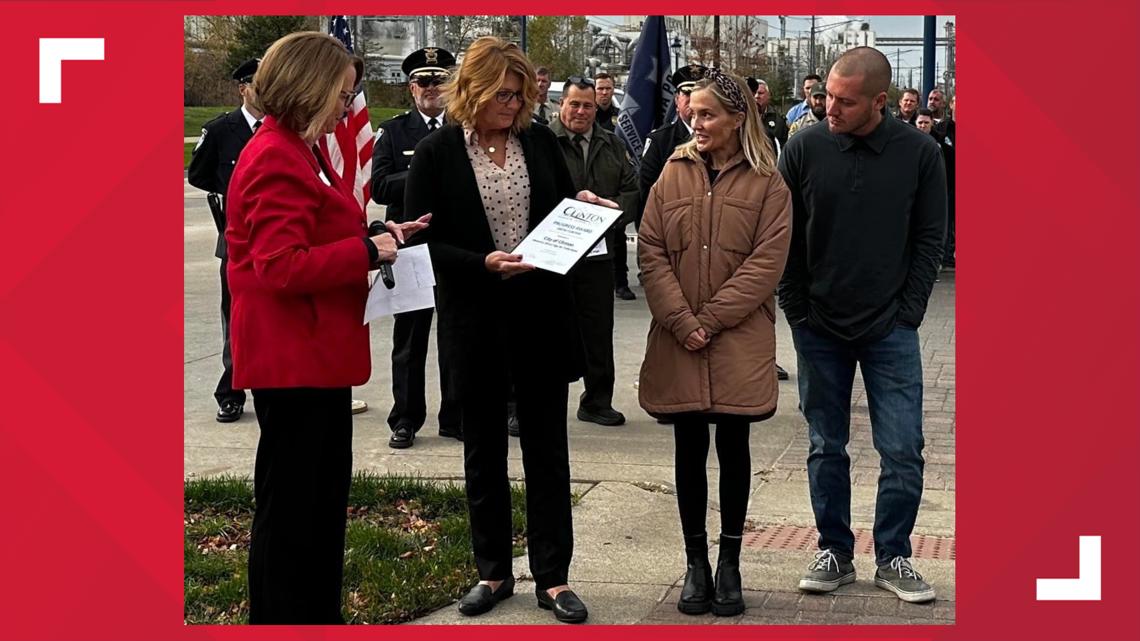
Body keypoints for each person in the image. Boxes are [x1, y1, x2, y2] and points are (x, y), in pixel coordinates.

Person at [405, 36, 616, 624]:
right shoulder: (437, 151)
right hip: (474, 316)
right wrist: (482, 263)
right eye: (501, 93)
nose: (511, 104)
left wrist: (585, 208)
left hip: (540, 315)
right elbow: (424, 239)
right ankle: (493, 570)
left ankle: (553, 577)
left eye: (519, 95)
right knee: (484, 449)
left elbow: (558, 208)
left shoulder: (539, 141)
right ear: (471, 89)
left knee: (548, 449)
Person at [225, 32, 427, 624]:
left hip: (314, 354)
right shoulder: (275, 156)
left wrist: (383, 238)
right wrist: (366, 252)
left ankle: (312, 613)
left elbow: (317, 233)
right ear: (310, 88)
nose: (348, 107)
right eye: (343, 95)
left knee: (315, 504)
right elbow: (279, 265)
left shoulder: (299, 149)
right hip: (293, 359)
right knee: (293, 510)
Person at [777, 47, 945, 604]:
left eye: (844, 102)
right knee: (827, 444)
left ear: (879, 101)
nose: (829, 108)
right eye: (827, 95)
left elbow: (930, 239)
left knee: (903, 448)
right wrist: (796, 309)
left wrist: (908, 312)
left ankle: (894, 555)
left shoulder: (919, 153)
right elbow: (782, 234)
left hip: (889, 329)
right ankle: (835, 550)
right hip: (818, 324)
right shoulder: (803, 147)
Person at [639, 68, 791, 617]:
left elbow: (767, 262)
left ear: (735, 119)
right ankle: (695, 563)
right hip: (681, 338)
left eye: (707, 114)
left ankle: (730, 564)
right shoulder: (672, 173)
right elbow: (651, 248)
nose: (695, 122)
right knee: (687, 450)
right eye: (692, 112)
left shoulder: (767, 182)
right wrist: (683, 320)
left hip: (737, 339)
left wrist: (712, 318)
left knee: (733, 448)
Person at [370, 46, 463, 448]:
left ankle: (455, 415)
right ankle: (405, 418)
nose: (432, 88)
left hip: (453, 246)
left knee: (455, 337)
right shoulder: (393, 132)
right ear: (411, 88)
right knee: (409, 341)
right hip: (409, 248)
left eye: (439, 80)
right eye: (424, 81)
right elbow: (378, 186)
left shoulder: (463, 127)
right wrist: (424, 170)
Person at [548, 77, 639, 427]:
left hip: (599, 255)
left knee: (598, 329)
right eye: (574, 104)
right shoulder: (542, 142)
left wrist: (612, 209)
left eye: (587, 105)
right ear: (562, 105)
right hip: (552, 252)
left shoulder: (612, 144)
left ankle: (597, 400)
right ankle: (528, 403)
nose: (581, 111)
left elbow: (633, 190)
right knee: (545, 329)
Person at [188, 58, 261, 423]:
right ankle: (231, 390)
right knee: (235, 316)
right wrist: (230, 190)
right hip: (236, 238)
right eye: (256, 83)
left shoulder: (286, 128)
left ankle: (267, 381)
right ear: (242, 89)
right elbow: (199, 174)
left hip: (279, 236)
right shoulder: (221, 130)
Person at [633, 64, 706, 301]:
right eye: (687, 94)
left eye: (698, 93)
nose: (692, 100)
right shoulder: (660, 140)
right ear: (677, 100)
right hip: (672, 235)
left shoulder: (720, 138)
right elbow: (647, 191)